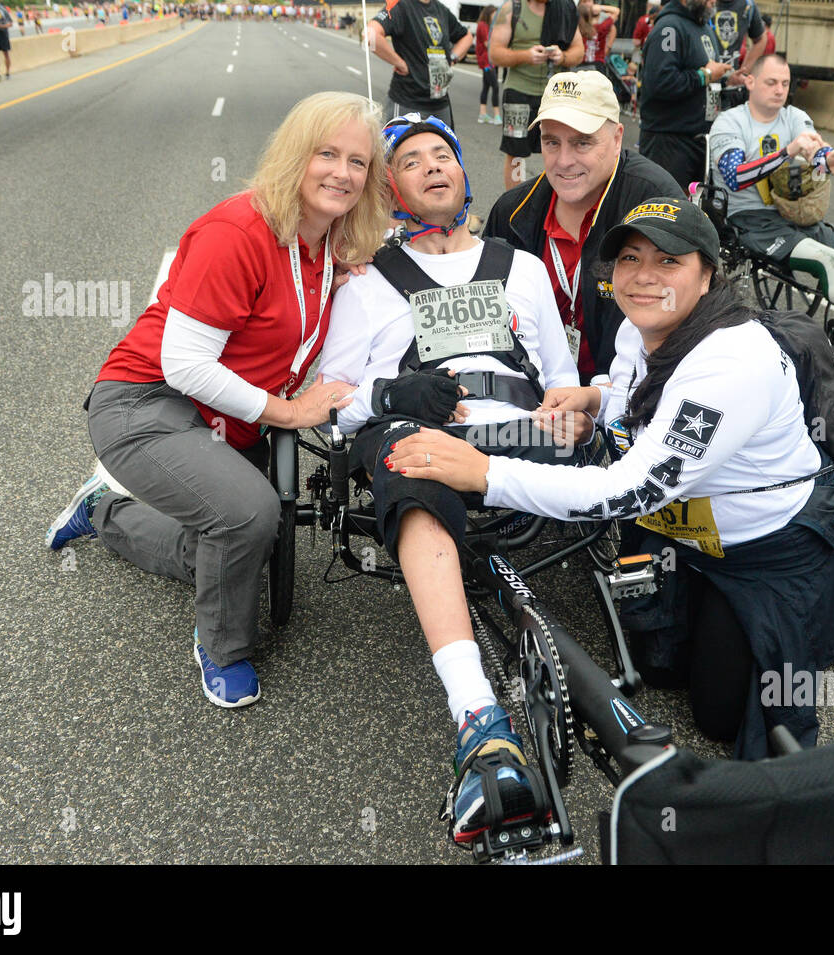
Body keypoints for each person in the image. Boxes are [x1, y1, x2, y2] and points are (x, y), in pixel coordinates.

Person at [387, 198, 834, 759]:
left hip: (764, 545)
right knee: (659, 667)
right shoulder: (640, 324)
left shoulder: (731, 365)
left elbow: (628, 490)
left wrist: (483, 472)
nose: (644, 277)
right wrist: (596, 397)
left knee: (725, 719)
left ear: (708, 277)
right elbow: (637, 398)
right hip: (680, 534)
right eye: (629, 258)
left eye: (668, 261)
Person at [45, 93, 388, 708]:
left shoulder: (325, 245)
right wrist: (288, 412)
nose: (342, 172)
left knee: (242, 544)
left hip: (221, 415)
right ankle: (221, 647)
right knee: (248, 515)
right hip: (145, 400)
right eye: (326, 154)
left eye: (358, 162)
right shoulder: (239, 229)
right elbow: (184, 362)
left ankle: (103, 514)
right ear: (293, 156)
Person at [317, 113, 590, 844]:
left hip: (520, 427)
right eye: (412, 161)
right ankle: (478, 720)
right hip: (424, 434)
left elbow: (562, 381)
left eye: (444, 155)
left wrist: (574, 415)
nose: (434, 166)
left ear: (466, 175)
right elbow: (330, 397)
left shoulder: (521, 267)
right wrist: (387, 397)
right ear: (391, 188)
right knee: (410, 455)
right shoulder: (369, 278)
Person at [484, 70, 680, 384]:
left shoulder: (654, 201)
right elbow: (484, 316)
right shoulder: (512, 212)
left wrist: (610, 399)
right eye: (551, 142)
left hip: (627, 390)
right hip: (536, 389)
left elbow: (683, 313)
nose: (563, 161)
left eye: (582, 143)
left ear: (617, 139)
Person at [708, 52, 834, 304]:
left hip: (785, 210)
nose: (780, 90)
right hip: (745, 215)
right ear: (750, 82)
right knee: (804, 246)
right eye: (771, 82)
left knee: (825, 235)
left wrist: (829, 161)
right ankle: (822, 261)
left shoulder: (794, 117)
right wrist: (787, 151)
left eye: (785, 84)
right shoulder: (729, 122)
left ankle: (823, 261)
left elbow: (813, 149)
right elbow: (735, 177)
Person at [489, 0, 584, 189]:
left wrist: (562, 57)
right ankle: (516, 206)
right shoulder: (512, 8)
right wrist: (525, 56)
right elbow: (494, 54)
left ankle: (555, 202)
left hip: (556, 95)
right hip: (518, 92)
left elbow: (578, 51)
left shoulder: (564, 8)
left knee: (560, 150)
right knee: (516, 154)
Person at [638, 0, 731, 191]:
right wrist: (705, 75)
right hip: (668, 143)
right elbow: (661, 81)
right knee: (667, 212)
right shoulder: (669, 27)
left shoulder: (704, 27)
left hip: (698, 141)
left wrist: (727, 79)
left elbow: (708, 74)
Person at [366, 0, 472, 126]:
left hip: (440, 102)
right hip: (408, 102)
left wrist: (452, 58)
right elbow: (370, 34)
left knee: (445, 145)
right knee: (401, 145)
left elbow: (467, 36)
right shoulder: (400, 6)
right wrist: (399, 63)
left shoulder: (441, 9)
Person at [712, 0, 768, 109]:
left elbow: (761, 39)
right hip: (701, 85)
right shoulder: (701, 4)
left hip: (731, 89)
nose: (727, 28)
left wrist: (743, 71)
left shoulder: (748, 6)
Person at [475, 5, 501, 124]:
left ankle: (482, 114)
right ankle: (496, 115)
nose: (495, 16)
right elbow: (487, 44)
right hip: (486, 62)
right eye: (494, 14)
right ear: (488, 13)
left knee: (486, 87)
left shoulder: (490, 26)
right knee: (495, 86)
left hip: (491, 61)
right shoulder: (483, 25)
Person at [577, 0, 614, 64]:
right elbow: (616, 12)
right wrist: (600, 7)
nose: (587, 4)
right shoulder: (601, 27)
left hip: (579, 64)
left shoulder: (575, 30)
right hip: (597, 63)